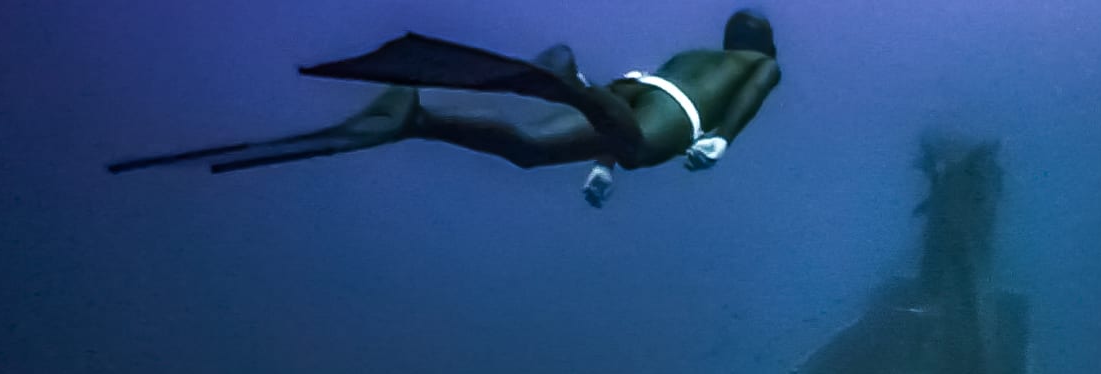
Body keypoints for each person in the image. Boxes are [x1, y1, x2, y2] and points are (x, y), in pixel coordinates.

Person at [108, 10, 781, 208]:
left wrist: (600, 165)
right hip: (666, 116)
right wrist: (723, 139)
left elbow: (636, 98)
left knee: (528, 151)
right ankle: (567, 81)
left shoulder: (696, 52)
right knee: (639, 147)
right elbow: (751, 94)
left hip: (636, 92)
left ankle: (419, 118)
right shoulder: (756, 64)